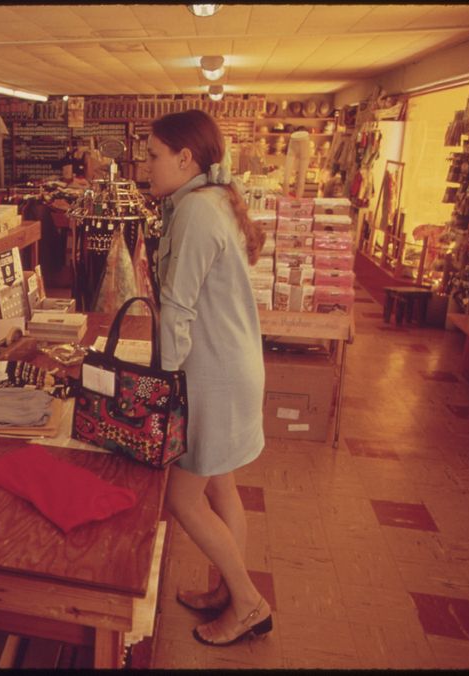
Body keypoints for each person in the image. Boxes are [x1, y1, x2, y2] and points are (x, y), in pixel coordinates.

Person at [147, 110, 272, 647]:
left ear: (184, 158)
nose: (144, 166)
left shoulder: (196, 211)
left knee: (183, 499)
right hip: (235, 365)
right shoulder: (216, 200)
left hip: (213, 376)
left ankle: (247, 603)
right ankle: (227, 589)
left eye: (152, 156)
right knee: (222, 486)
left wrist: (165, 383)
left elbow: (177, 307)